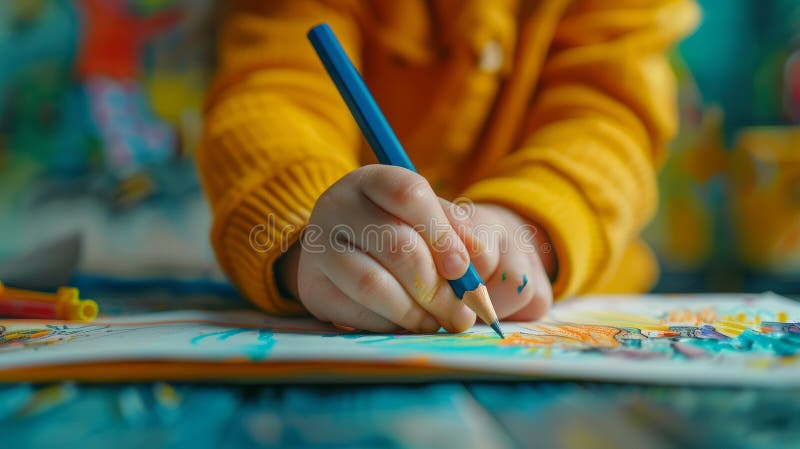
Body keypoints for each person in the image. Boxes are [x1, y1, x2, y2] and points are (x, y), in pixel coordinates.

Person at [197, 0, 699, 333]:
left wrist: (528, 224)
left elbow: (610, 117)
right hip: (330, 317)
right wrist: (306, 233)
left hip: (584, 310)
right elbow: (272, 96)